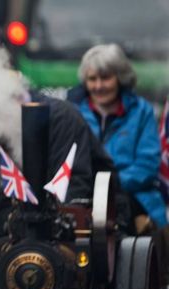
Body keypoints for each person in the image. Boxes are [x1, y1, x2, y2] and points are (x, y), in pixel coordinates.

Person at [0, 91, 114, 257]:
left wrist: (45, 222)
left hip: (71, 213)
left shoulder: (62, 116)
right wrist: (16, 216)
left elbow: (75, 181)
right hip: (20, 215)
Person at [68, 43, 166, 233]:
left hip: (133, 195)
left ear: (120, 78)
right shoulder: (73, 113)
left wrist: (108, 186)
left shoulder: (142, 111)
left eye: (105, 78)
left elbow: (148, 165)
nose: (98, 86)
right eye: (92, 79)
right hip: (83, 195)